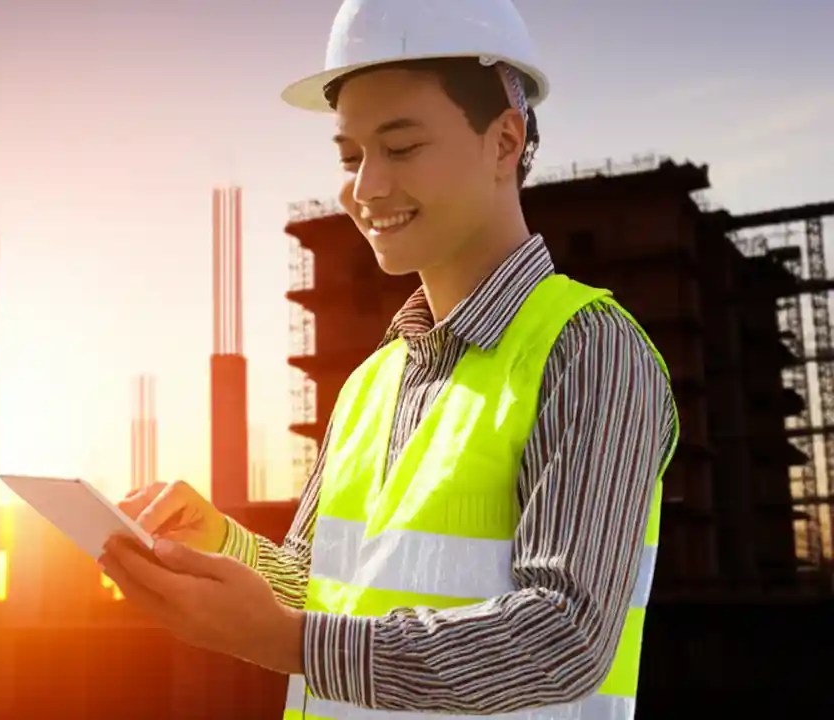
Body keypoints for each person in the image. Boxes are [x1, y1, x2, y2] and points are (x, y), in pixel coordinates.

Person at [98, 1, 678, 718]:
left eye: (400, 148)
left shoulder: (588, 350)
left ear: (504, 142)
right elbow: (325, 593)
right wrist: (218, 545)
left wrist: (290, 646)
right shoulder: (373, 382)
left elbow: (564, 638)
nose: (365, 188)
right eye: (350, 156)